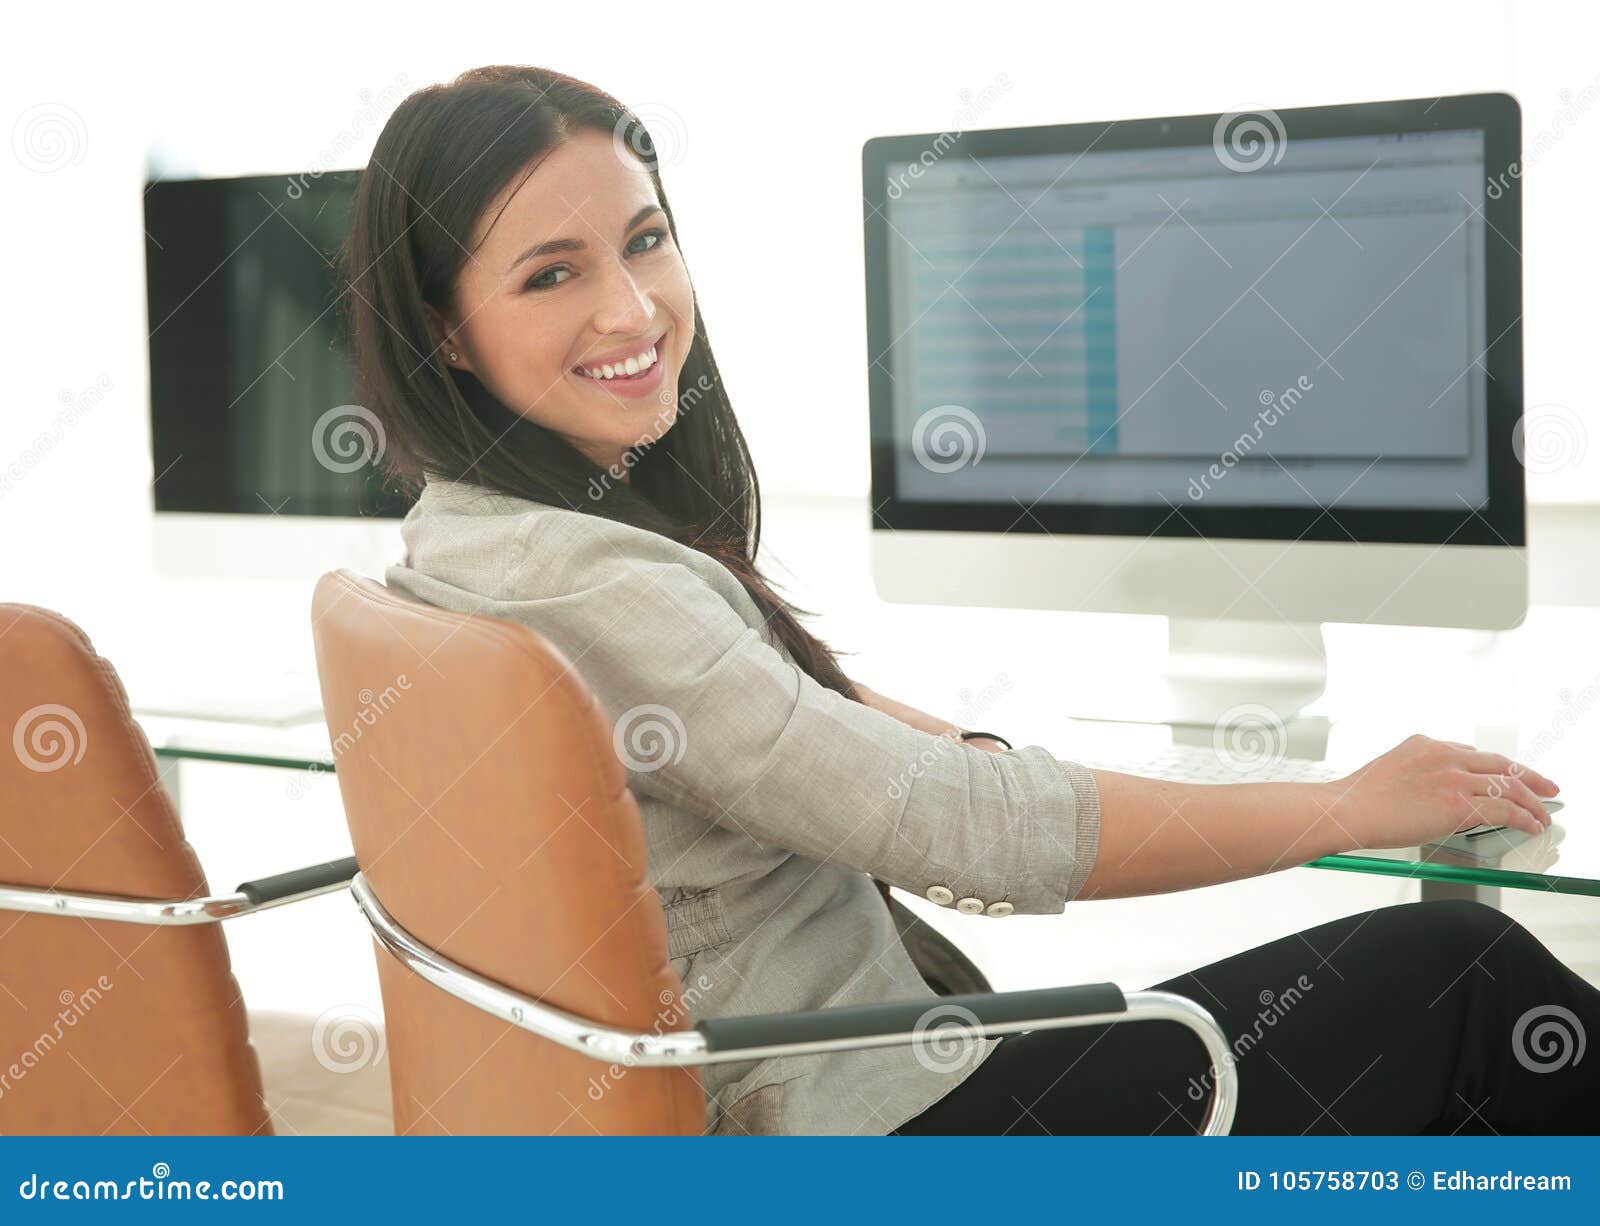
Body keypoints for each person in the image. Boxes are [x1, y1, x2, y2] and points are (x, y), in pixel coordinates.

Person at [342, 64, 1598, 1135]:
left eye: (646, 239)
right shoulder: (591, 584)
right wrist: (1343, 804)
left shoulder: (469, 540)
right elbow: (958, 834)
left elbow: (782, 721)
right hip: (870, 1132)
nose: (632, 307)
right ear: (444, 327)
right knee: (1462, 972)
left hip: (812, 1093)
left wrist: (988, 752)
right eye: (550, 274)